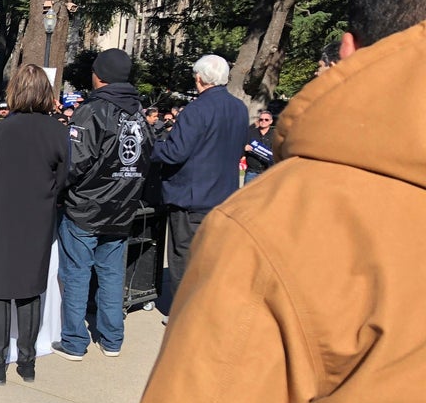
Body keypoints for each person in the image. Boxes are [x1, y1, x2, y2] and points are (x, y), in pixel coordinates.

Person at [116, 0, 426, 403]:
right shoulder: (237, 115)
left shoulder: (294, 224)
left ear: (349, 52)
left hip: (201, 206)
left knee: (179, 270)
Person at [0, 64, 68, 384]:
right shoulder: (58, 131)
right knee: (30, 288)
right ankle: (27, 362)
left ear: (15, 91)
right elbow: (65, 178)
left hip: (0, 216)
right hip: (38, 217)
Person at [51, 49, 149, 362]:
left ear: (99, 75)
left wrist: (57, 189)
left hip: (86, 207)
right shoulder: (139, 113)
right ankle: (112, 339)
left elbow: (75, 162)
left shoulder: (92, 111)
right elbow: (144, 159)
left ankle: (74, 341)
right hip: (121, 209)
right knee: (110, 275)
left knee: (77, 274)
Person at [151, 54, 248, 300]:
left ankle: (184, 313)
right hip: (223, 195)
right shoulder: (239, 108)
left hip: (191, 198)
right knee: (211, 258)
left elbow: (175, 152)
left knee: (184, 258)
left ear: (198, 78)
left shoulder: (197, 109)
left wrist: (150, 147)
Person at [242, 110, 275, 184]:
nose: (263, 121)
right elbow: (240, 149)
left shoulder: (276, 135)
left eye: (266, 119)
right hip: (251, 172)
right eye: (261, 119)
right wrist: (244, 148)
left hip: (268, 172)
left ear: (271, 121)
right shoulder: (250, 133)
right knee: (248, 195)